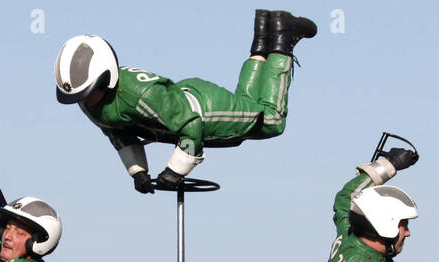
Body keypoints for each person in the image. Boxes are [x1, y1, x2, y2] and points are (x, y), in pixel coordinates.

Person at [54, 13, 317, 191]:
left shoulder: (142, 95)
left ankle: (284, 41)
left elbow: (192, 125)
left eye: (90, 91)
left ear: (107, 77)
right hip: (184, 103)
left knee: (270, 121)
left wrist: (175, 171)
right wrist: (138, 172)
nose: (86, 100)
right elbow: (118, 133)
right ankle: (266, 32)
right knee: (248, 103)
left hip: (207, 111)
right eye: (79, 96)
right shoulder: (90, 103)